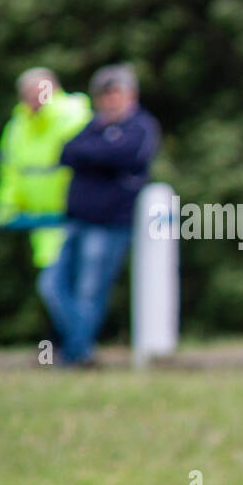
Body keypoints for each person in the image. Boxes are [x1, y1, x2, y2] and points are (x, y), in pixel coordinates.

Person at [37, 65, 160, 367]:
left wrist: (94, 154)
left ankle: (74, 356)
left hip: (109, 224)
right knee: (51, 284)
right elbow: (66, 151)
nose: (110, 100)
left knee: (89, 292)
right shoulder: (95, 126)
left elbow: (126, 156)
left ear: (131, 94)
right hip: (78, 221)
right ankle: (80, 351)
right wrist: (102, 153)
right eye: (105, 95)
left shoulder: (142, 126)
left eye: (115, 93)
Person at [0, 68, 92, 273]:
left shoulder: (73, 114)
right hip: (41, 221)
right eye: (28, 93)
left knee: (67, 288)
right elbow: (11, 173)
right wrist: (7, 206)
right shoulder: (17, 127)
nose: (35, 98)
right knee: (53, 287)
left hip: (76, 217)